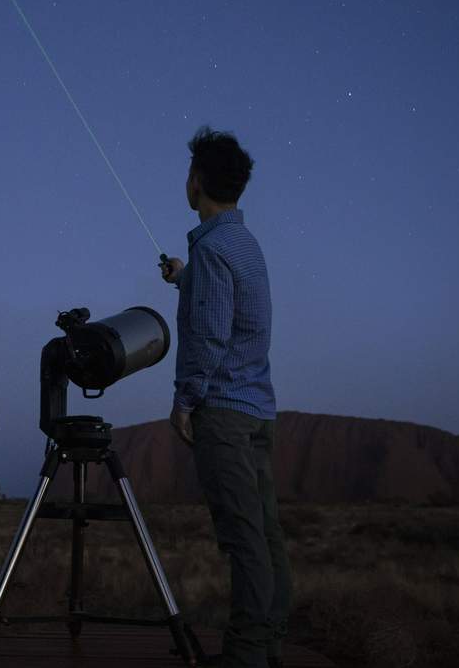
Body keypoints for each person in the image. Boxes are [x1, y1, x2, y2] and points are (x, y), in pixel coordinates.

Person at [159, 127, 292, 668]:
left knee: (243, 542)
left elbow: (212, 336)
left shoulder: (213, 248)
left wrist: (185, 399)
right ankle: (268, 650)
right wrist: (184, 278)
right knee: (266, 537)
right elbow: (231, 311)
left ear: (196, 182)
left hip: (225, 417)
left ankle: (245, 658)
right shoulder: (242, 243)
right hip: (257, 413)